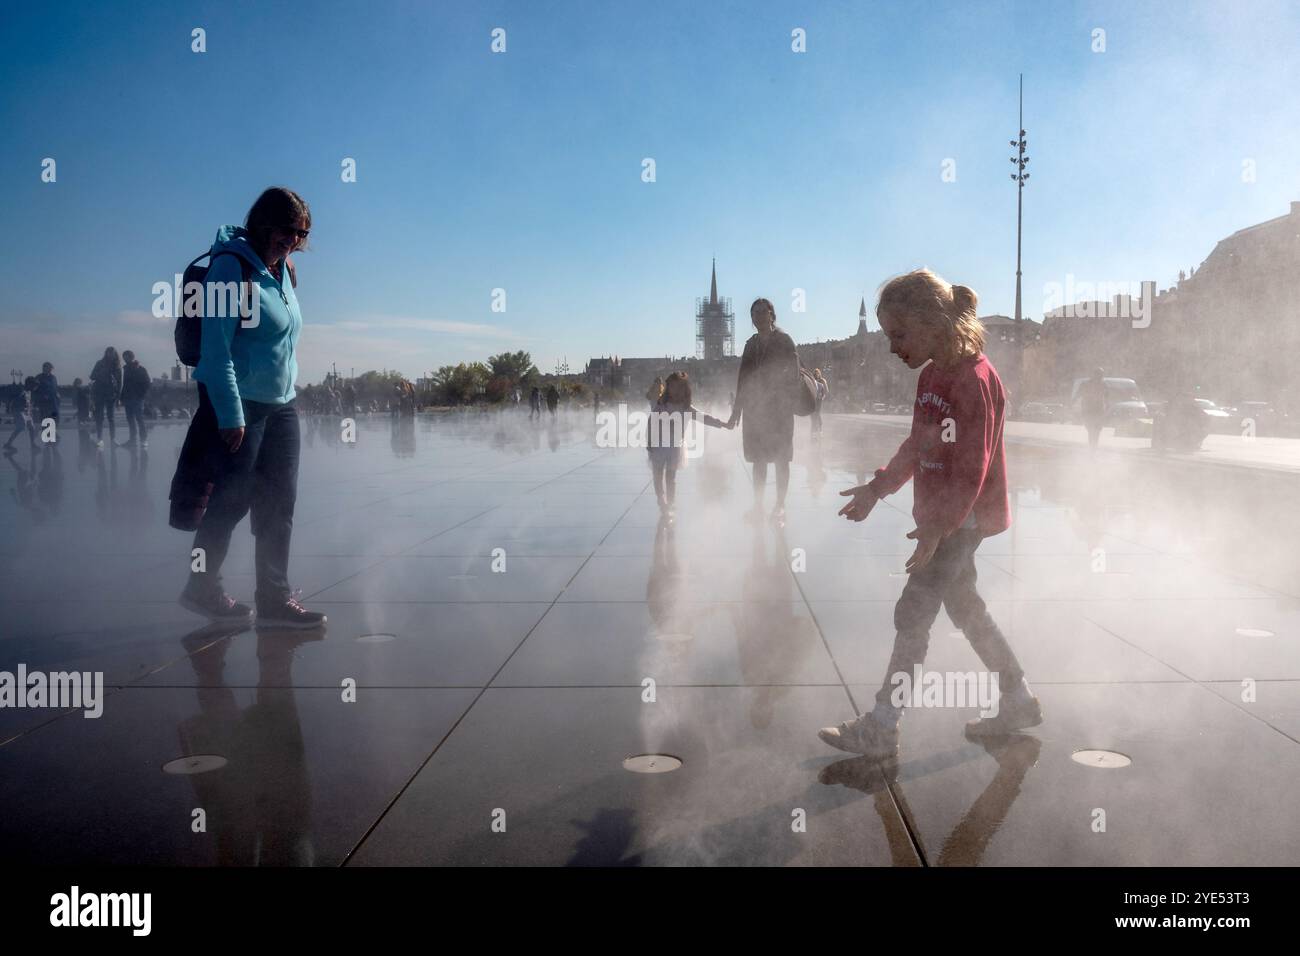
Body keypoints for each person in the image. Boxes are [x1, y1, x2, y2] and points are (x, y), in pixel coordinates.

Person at [819, 269, 1040, 760]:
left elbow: (974, 465)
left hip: (961, 522)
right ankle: (1018, 698)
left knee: (912, 612)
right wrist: (879, 488)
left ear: (934, 322)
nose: (893, 347)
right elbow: (917, 444)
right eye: (887, 336)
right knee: (965, 607)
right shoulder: (931, 376)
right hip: (943, 521)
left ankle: (882, 724)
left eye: (899, 334)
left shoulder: (976, 379)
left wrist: (940, 527)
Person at [179, 186, 325, 629]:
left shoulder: (281, 270)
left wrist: (283, 260)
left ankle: (275, 598)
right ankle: (201, 587)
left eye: (301, 234)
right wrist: (231, 415)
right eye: (286, 231)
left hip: (282, 406)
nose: (293, 240)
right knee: (229, 503)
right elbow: (215, 351)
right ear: (263, 223)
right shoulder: (229, 268)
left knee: (280, 503)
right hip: (241, 406)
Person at [728, 298, 799, 523]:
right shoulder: (751, 344)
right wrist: (737, 410)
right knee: (759, 459)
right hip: (755, 410)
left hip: (779, 410)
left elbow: (794, 374)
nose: (758, 316)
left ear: (771, 314)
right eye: (754, 313)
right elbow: (743, 378)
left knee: (781, 459)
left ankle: (779, 505)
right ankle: (758, 505)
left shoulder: (784, 340)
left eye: (762, 311)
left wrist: (785, 398)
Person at [647, 371, 729, 516]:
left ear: (685, 390)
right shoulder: (662, 405)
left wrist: (721, 423)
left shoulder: (686, 408)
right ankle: (662, 501)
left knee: (671, 478)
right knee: (658, 475)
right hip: (658, 446)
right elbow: (651, 421)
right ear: (668, 388)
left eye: (679, 388)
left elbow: (704, 418)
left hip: (675, 447)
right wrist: (649, 441)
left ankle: (670, 503)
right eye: (672, 387)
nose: (675, 391)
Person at [89, 347, 122, 448]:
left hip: (111, 394)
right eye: (108, 353)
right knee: (100, 417)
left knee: (111, 417)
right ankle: (100, 439)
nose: (110, 355)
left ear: (115, 354)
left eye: (112, 353)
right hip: (99, 393)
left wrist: (118, 397)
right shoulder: (99, 363)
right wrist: (100, 373)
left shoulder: (117, 366)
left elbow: (120, 383)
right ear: (106, 353)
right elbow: (92, 376)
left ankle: (113, 439)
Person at [120, 350, 151, 447]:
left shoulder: (140, 369)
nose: (125, 359)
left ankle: (144, 440)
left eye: (126, 357)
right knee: (130, 420)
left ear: (131, 357)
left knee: (139, 419)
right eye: (124, 357)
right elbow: (124, 384)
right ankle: (132, 440)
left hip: (138, 398)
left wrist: (141, 394)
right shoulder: (125, 369)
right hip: (128, 398)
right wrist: (122, 397)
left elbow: (147, 383)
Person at [4, 377, 39, 453]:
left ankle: (32, 444)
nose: (35, 387)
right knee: (21, 427)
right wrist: (8, 408)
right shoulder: (21, 391)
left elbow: (28, 403)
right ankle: (8, 443)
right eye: (34, 385)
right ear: (29, 384)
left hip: (26, 412)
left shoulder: (29, 392)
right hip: (18, 411)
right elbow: (12, 399)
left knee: (32, 428)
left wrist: (32, 409)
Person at [1081, 367, 1106, 449]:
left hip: (1098, 411)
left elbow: (1107, 397)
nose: (1100, 377)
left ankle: (1093, 449)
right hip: (1089, 411)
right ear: (1094, 375)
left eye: (1101, 375)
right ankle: (1092, 448)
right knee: (1091, 431)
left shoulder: (1103, 384)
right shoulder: (1087, 384)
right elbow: (1082, 396)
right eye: (1098, 375)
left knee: (1096, 431)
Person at [34, 362, 60, 433]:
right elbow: (34, 390)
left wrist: (57, 395)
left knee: (56, 417)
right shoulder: (39, 377)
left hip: (53, 402)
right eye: (50, 368)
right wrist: (41, 397)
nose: (51, 369)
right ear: (44, 368)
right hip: (44, 403)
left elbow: (55, 388)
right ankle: (46, 436)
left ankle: (53, 432)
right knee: (45, 419)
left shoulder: (53, 377)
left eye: (51, 368)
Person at [811, 368, 829, 436]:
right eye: (815, 374)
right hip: (814, 399)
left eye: (817, 373)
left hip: (819, 399)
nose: (816, 375)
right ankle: (814, 429)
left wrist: (822, 397)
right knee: (813, 414)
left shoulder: (822, 381)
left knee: (817, 413)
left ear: (819, 374)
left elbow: (826, 391)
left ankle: (820, 426)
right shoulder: (813, 380)